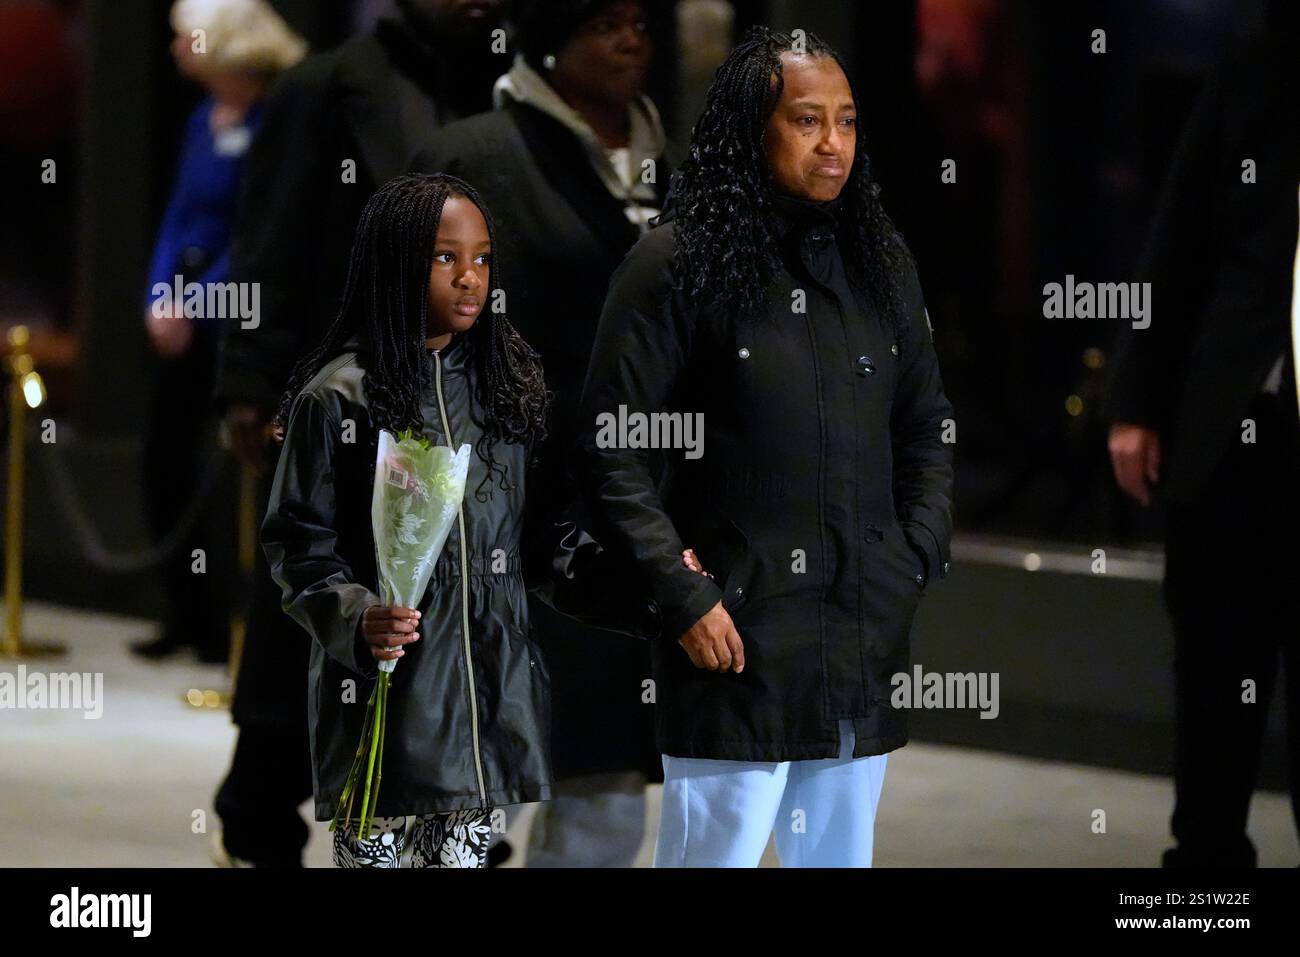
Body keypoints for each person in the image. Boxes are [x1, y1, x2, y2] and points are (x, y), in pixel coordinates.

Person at [577, 27, 954, 867]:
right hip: (733, 642)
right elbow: (610, 444)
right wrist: (680, 594)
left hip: (859, 634)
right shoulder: (675, 262)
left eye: (848, 122)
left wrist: (915, 552)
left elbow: (927, 424)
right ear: (754, 128)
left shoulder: (881, 261)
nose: (834, 145)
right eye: (808, 120)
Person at [211, 0, 512, 868]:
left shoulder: (508, 82)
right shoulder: (326, 86)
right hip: (335, 388)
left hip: (454, 394)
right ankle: (258, 815)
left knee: (442, 611)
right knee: (309, 609)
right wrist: (249, 378)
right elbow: (268, 234)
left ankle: (450, 817)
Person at [411, 0, 672, 867]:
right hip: (499, 508)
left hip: (632, 514)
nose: (630, 39)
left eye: (638, 20)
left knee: (607, 775)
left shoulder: (676, 163)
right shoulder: (473, 156)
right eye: (605, 22)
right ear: (551, 40)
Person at [261, 173, 553, 868]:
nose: (469, 278)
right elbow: (297, 543)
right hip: (387, 703)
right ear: (395, 263)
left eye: (482, 258)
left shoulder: (505, 394)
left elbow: (538, 534)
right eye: (445, 257)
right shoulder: (339, 396)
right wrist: (356, 613)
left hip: (485, 703)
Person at [1105, 16, 1300, 868]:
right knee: (1218, 678)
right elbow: (1180, 232)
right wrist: (1137, 401)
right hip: (1237, 432)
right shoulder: (1264, 58)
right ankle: (1207, 891)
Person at [133, 0, 305, 662]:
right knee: (165, 461)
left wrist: (199, 302)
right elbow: (180, 215)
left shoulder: (275, 120)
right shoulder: (204, 118)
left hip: (239, 315)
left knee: (229, 472)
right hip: (180, 317)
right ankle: (187, 608)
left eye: (186, 39)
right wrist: (159, 297)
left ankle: (238, 624)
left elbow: (258, 232)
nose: (177, 50)